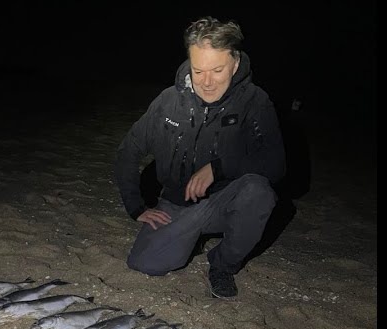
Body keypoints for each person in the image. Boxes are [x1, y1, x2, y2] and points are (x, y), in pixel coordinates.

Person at [113, 16, 286, 299]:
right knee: (144, 264)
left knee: (259, 192)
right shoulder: (169, 100)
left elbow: (276, 163)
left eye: (217, 70)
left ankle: (223, 265)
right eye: (198, 70)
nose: (207, 82)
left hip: (224, 202)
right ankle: (188, 237)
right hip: (176, 203)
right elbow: (127, 151)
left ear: (236, 63)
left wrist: (217, 168)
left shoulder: (255, 101)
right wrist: (136, 206)